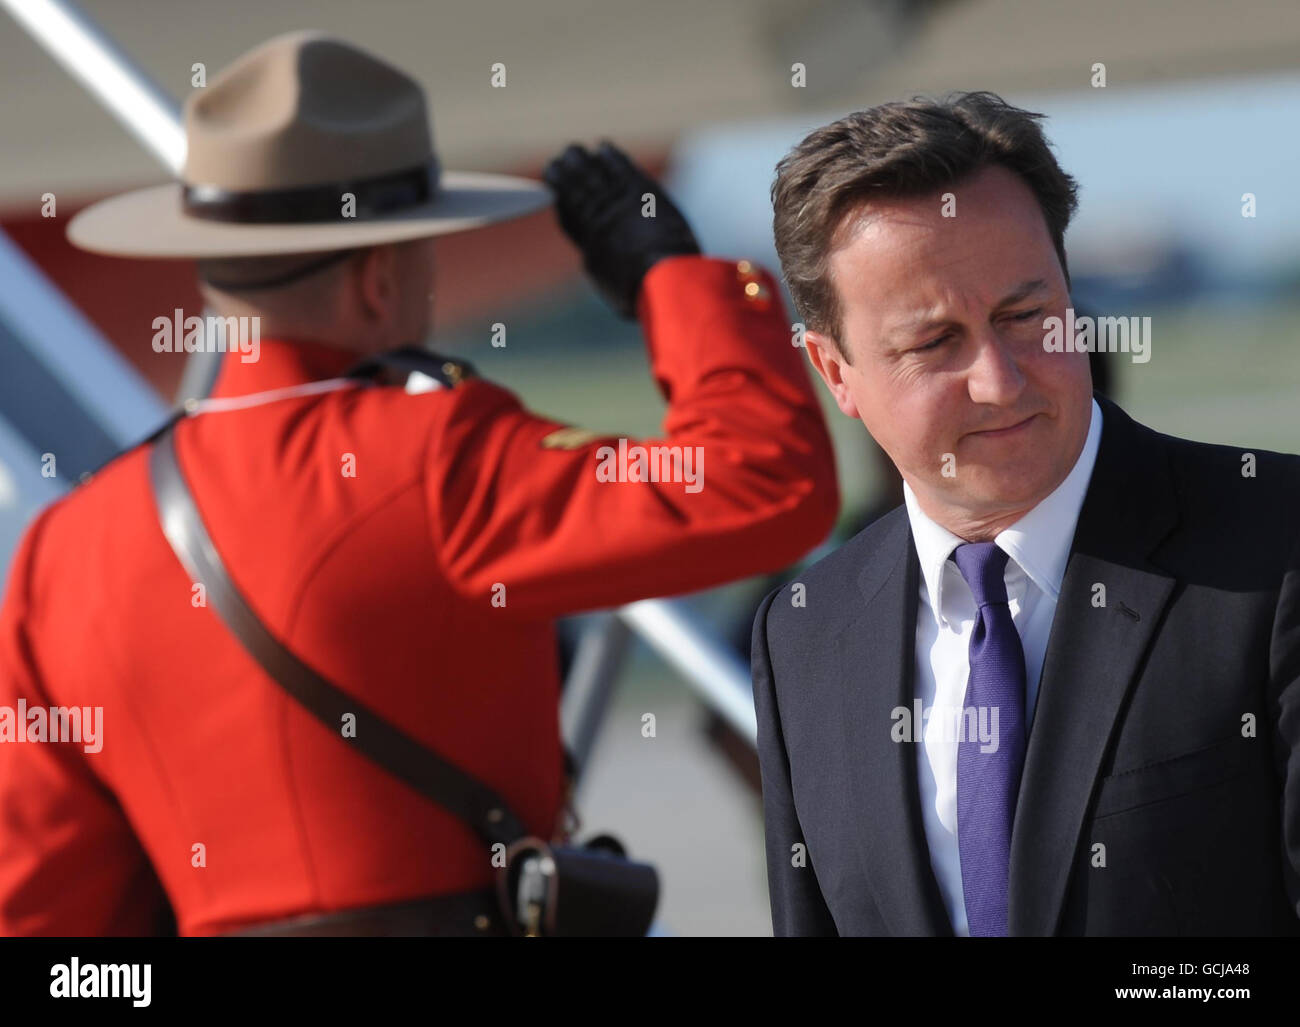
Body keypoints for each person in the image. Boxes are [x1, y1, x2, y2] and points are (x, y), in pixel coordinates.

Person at [0, 31, 838, 936]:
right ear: (377, 277)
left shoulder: (66, 546)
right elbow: (762, 483)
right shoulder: (437, 455)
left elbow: (44, 907)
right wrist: (676, 280)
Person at [751, 91, 1300, 936]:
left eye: (1025, 316)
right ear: (835, 373)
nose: (1000, 381)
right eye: (934, 343)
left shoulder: (1276, 546)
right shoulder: (802, 635)